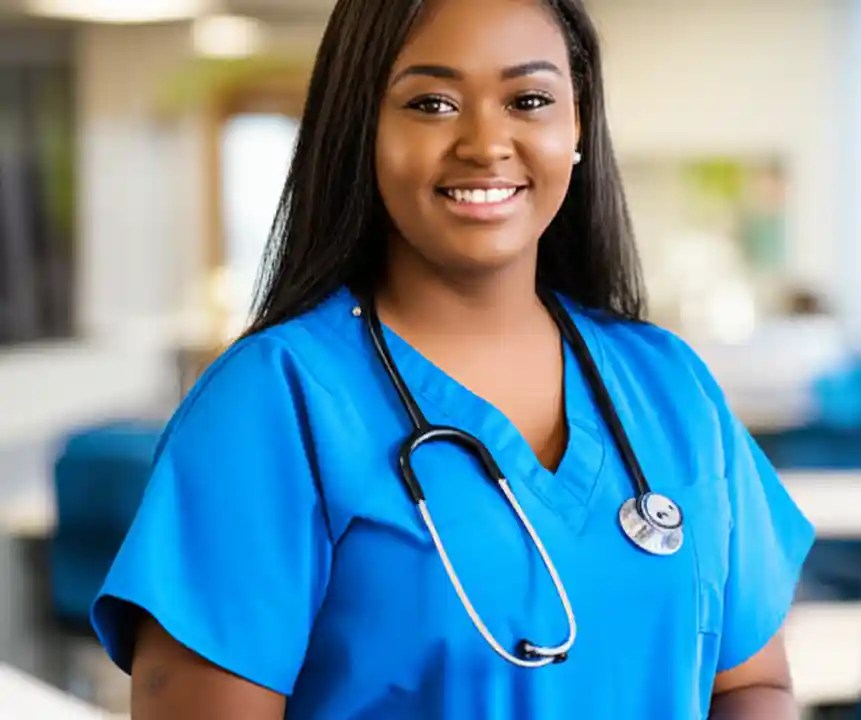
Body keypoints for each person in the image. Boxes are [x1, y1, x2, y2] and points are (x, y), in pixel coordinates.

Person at [90, 0, 815, 717]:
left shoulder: (668, 386)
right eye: (431, 103)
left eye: (529, 99)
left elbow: (749, 683)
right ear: (361, 129)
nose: (485, 142)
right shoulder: (273, 403)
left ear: (578, 127)